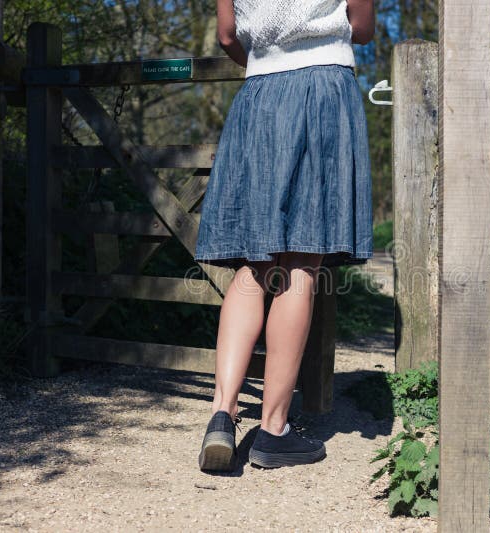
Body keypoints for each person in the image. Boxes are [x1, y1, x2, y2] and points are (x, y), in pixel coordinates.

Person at [195, 0, 375, 471]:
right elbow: (363, 25)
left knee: (253, 266)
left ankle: (222, 412)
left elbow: (229, 36)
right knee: (301, 265)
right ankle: (273, 430)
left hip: (259, 95)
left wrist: (267, 60)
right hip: (323, 89)